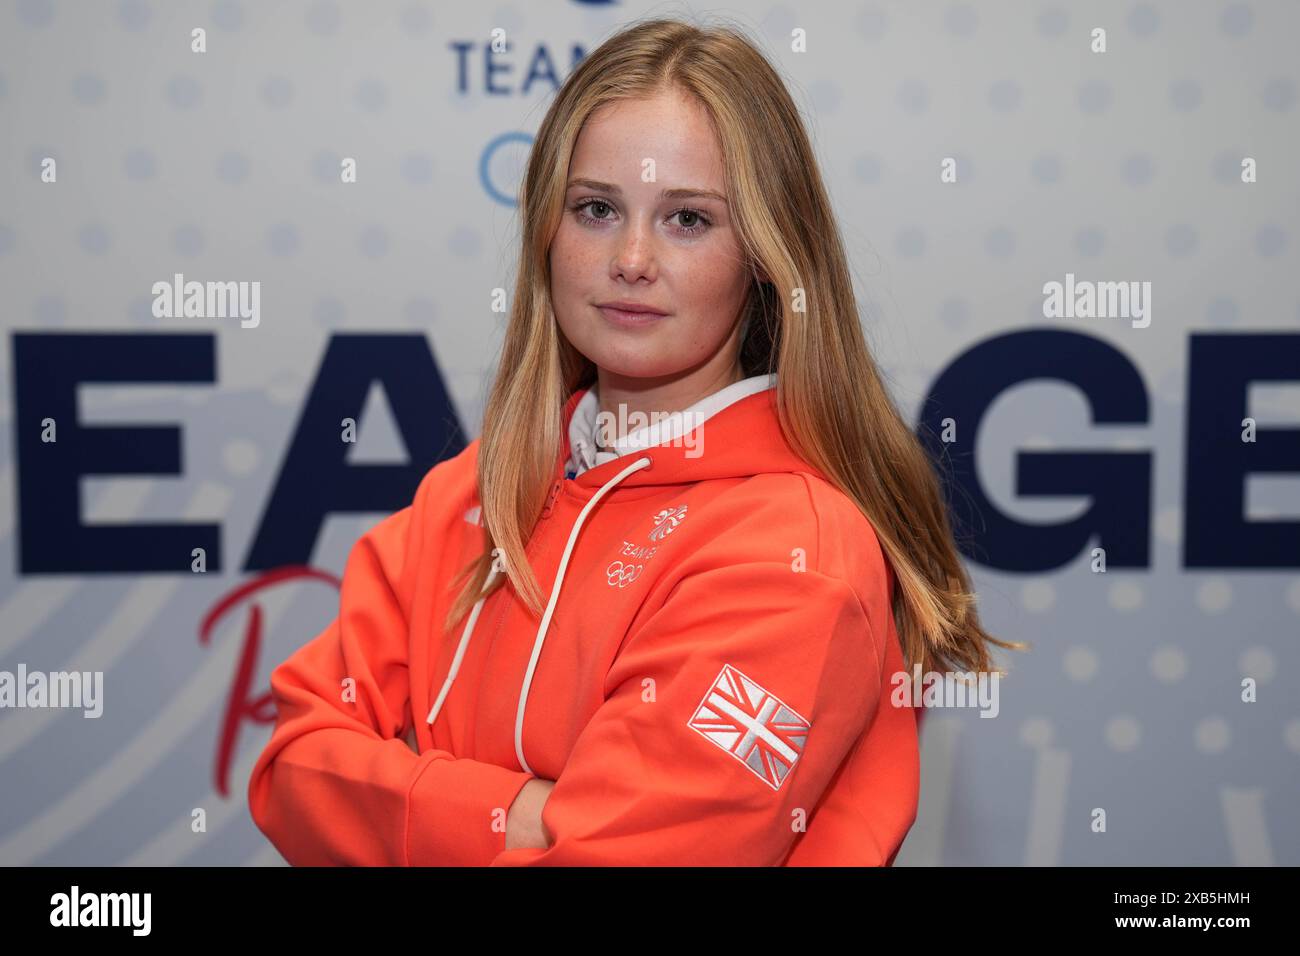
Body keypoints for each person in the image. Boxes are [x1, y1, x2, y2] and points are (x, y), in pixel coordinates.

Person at [247, 15, 1020, 866]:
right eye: (596, 209)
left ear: (765, 254)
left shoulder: (795, 553)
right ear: (547, 228)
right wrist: (519, 813)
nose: (632, 258)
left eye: (688, 219)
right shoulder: (476, 492)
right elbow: (290, 764)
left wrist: (418, 803)